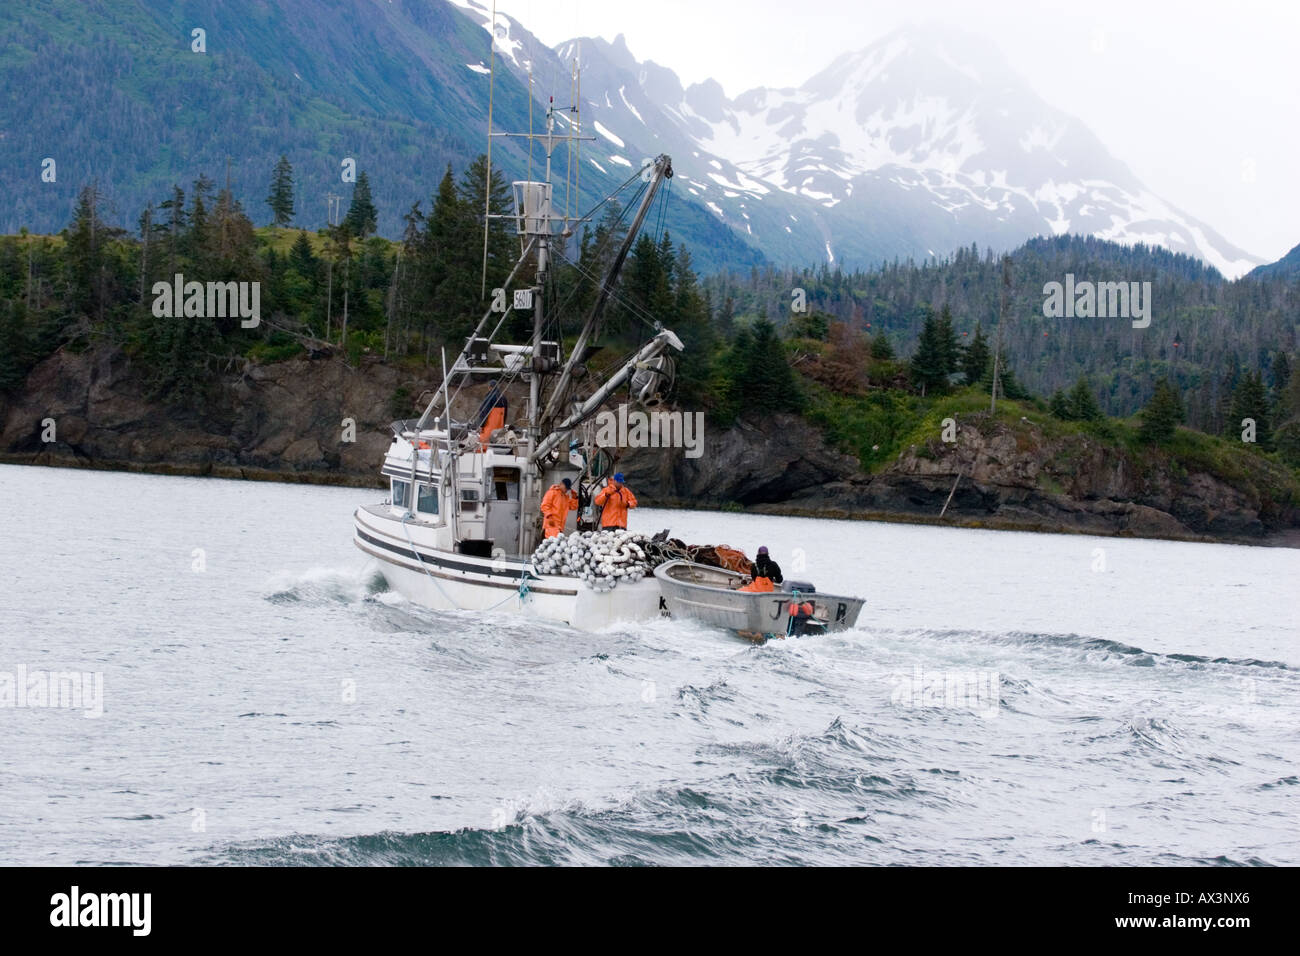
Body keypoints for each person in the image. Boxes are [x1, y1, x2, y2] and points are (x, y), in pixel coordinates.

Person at [476, 379, 508, 446]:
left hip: (489, 427)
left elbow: (484, 412)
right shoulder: (503, 398)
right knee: (497, 443)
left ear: (490, 387)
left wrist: (481, 425)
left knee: (484, 445)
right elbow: (505, 414)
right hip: (499, 428)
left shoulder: (490, 397)